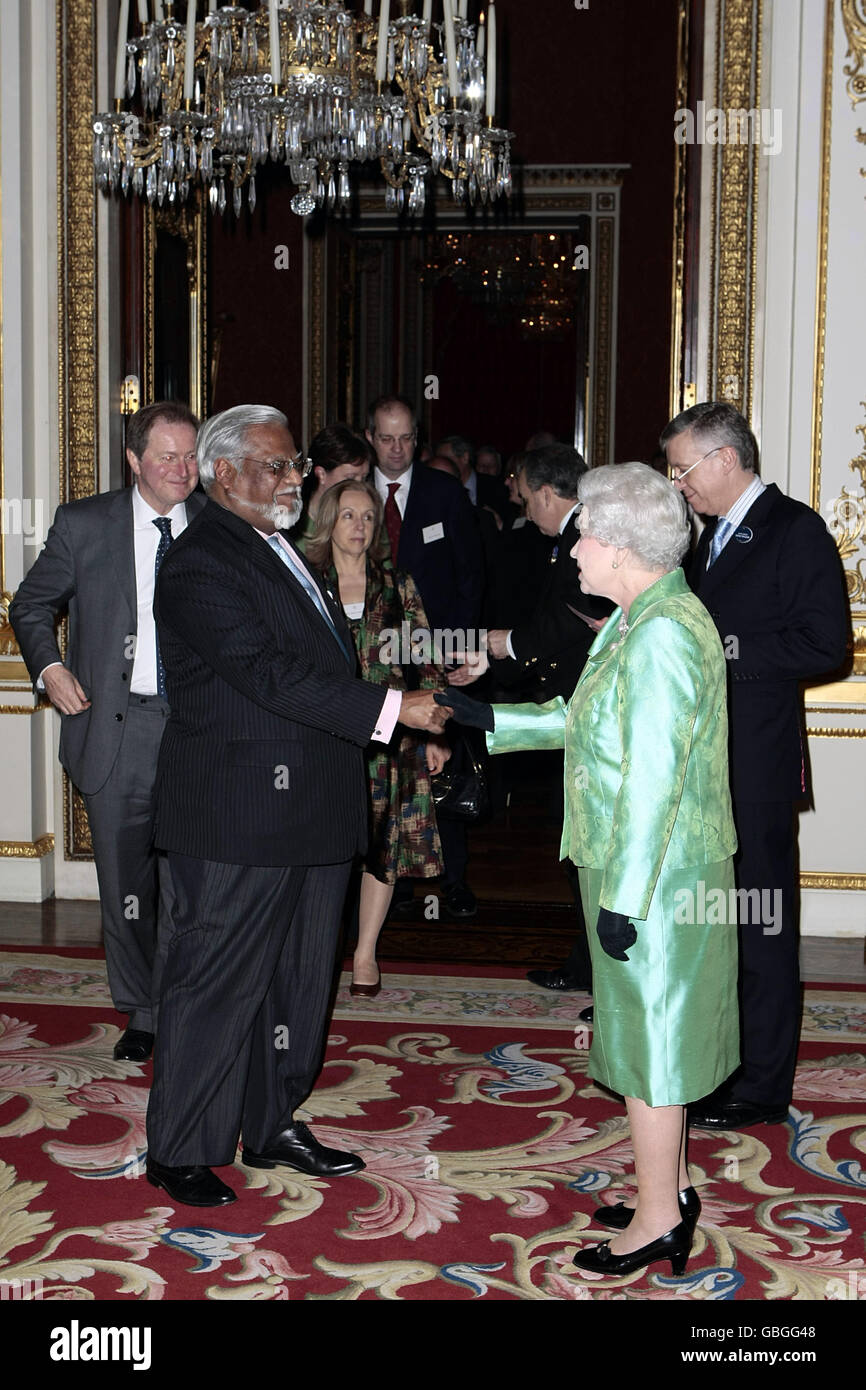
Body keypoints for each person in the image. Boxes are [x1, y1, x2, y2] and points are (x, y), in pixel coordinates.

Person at [437, 462, 740, 1278]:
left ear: (622, 546)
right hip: (637, 865)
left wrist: (627, 901)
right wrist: (491, 716)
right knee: (655, 1044)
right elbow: (586, 720)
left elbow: (653, 781)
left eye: (584, 537)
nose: (572, 552)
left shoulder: (666, 631)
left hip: (658, 875)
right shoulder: (641, 615)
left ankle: (655, 1221)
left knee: (652, 1053)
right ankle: (668, 1191)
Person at [145, 405, 447, 1208]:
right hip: (238, 816)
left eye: (292, 466)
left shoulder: (280, 547)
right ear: (224, 475)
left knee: (300, 982)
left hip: (311, 809)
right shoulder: (201, 561)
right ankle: (180, 1146)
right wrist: (391, 711)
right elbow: (266, 674)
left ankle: (272, 1118)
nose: (295, 479)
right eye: (275, 467)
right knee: (215, 984)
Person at [662, 401, 850, 1130]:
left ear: (725, 459)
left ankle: (765, 1087)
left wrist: (722, 654)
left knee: (762, 926)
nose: (679, 482)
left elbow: (823, 644)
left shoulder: (794, 530)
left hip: (759, 768)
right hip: (709, 764)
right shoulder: (708, 539)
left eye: (684, 467)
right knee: (720, 925)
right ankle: (725, 1066)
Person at [10, 401, 202, 1063]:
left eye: (190, 455)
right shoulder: (86, 525)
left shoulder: (219, 527)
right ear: (133, 460)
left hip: (198, 737)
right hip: (118, 732)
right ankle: (142, 1011)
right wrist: (51, 667)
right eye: (166, 457)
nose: (182, 470)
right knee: (127, 887)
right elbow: (30, 604)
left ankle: (184, 1001)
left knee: (191, 885)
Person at [450, 444, 611, 996]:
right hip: (569, 708)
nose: (518, 500)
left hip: (589, 715)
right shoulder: (564, 539)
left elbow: (569, 626)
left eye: (523, 491)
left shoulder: (581, 535)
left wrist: (503, 645)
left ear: (545, 492)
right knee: (579, 849)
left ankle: (607, 981)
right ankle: (589, 967)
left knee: (592, 853)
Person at [306, 478, 449, 995]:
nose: (360, 527)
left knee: (382, 844)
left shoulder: (395, 583)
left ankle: (365, 952)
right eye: (348, 516)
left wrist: (436, 729)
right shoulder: (306, 579)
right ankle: (318, 950)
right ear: (327, 521)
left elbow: (426, 658)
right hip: (321, 732)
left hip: (391, 737)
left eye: (368, 517)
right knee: (323, 842)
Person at [366, 395, 484, 920]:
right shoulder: (350, 493)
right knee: (382, 768)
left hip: (433, 650)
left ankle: (450, 879)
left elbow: (469, 575)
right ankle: (381, 883)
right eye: (387, 438)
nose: (396, 449)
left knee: (440, 758)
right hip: (370, 654)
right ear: (371, 437)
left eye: (406, 438)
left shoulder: (444, 493)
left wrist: (459, 648)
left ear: (419, 439)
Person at [292, 423, 371, 548]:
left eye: (364, 478)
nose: (359, 487)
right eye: (350, 478)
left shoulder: (367, 521)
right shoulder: (293, 526)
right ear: (321, 474)